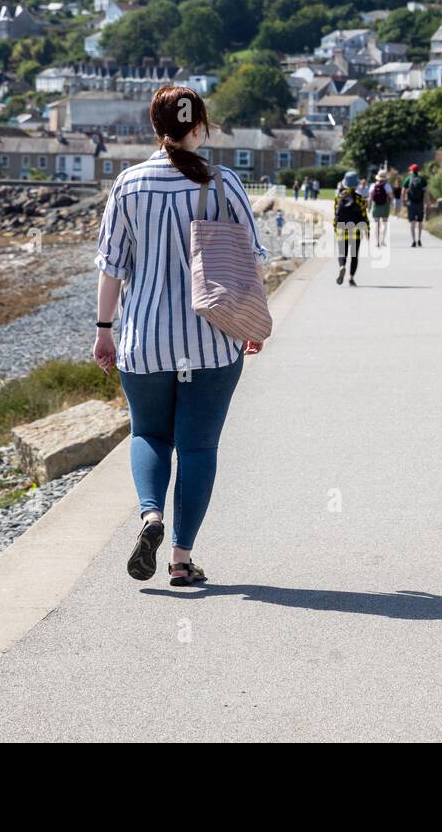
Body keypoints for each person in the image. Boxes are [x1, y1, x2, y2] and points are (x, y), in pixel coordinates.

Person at [94, 84, 268, 588]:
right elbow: (253, 261)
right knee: (198, 449)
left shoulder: (128, 184)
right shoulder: (224, 182)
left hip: (144, 341)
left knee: (149, 434)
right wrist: (254, 322)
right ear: (202, 127)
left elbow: (112, 267)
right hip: (213, 340)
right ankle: (180, 560)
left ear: (156, 127)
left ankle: (150, 516)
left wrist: (104, 331)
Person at [332, 169, 369, 286]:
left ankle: (342, 266)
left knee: (342, 253)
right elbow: (364, 216)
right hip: (356, 229)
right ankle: (351, 278)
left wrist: (335, 228)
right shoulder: (359, 199)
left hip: (342, 229)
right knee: (354, 255)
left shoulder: (338, 198)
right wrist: (367, 230)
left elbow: (335, 214)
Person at [403, 163, 428, 247]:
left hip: (411, 203)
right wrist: (426, 202)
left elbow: (403, 191)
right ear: (418, 171)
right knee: (420, 222)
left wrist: (404, 200)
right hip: (420, 203)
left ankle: (413, 240)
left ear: (412, 171)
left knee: (412, 222)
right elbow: (426, 192)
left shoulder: (408, 179)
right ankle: (419, 239)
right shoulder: (422, 179)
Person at [368, 168, 392, 247]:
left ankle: (377, 241)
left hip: (376, 206)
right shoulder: (387, 186)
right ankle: (383, 240)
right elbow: (390, 196)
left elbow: (370, 198)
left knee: (376, 225)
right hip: (385, 205)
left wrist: (369, 207)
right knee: (384, 224)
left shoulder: (373, 185)